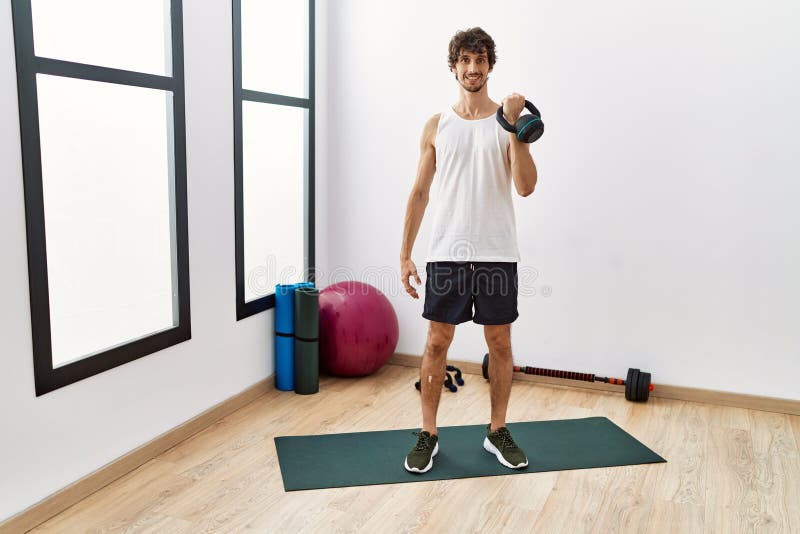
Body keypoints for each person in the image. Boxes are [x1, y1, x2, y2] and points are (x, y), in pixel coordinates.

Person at [399, 27, 538, 473]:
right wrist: (405, 255)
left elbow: (525, 186)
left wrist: (516, 129)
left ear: (490, 66)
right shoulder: (437, 126)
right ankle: (428, 433)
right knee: (437, 341)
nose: (473, 68)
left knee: (499, 342)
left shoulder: (508, 121)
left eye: (481, 60)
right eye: (465, 60)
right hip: (447, 253)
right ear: (454, 66)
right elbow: (419, 193)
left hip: (498, 253)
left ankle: (497, 430)